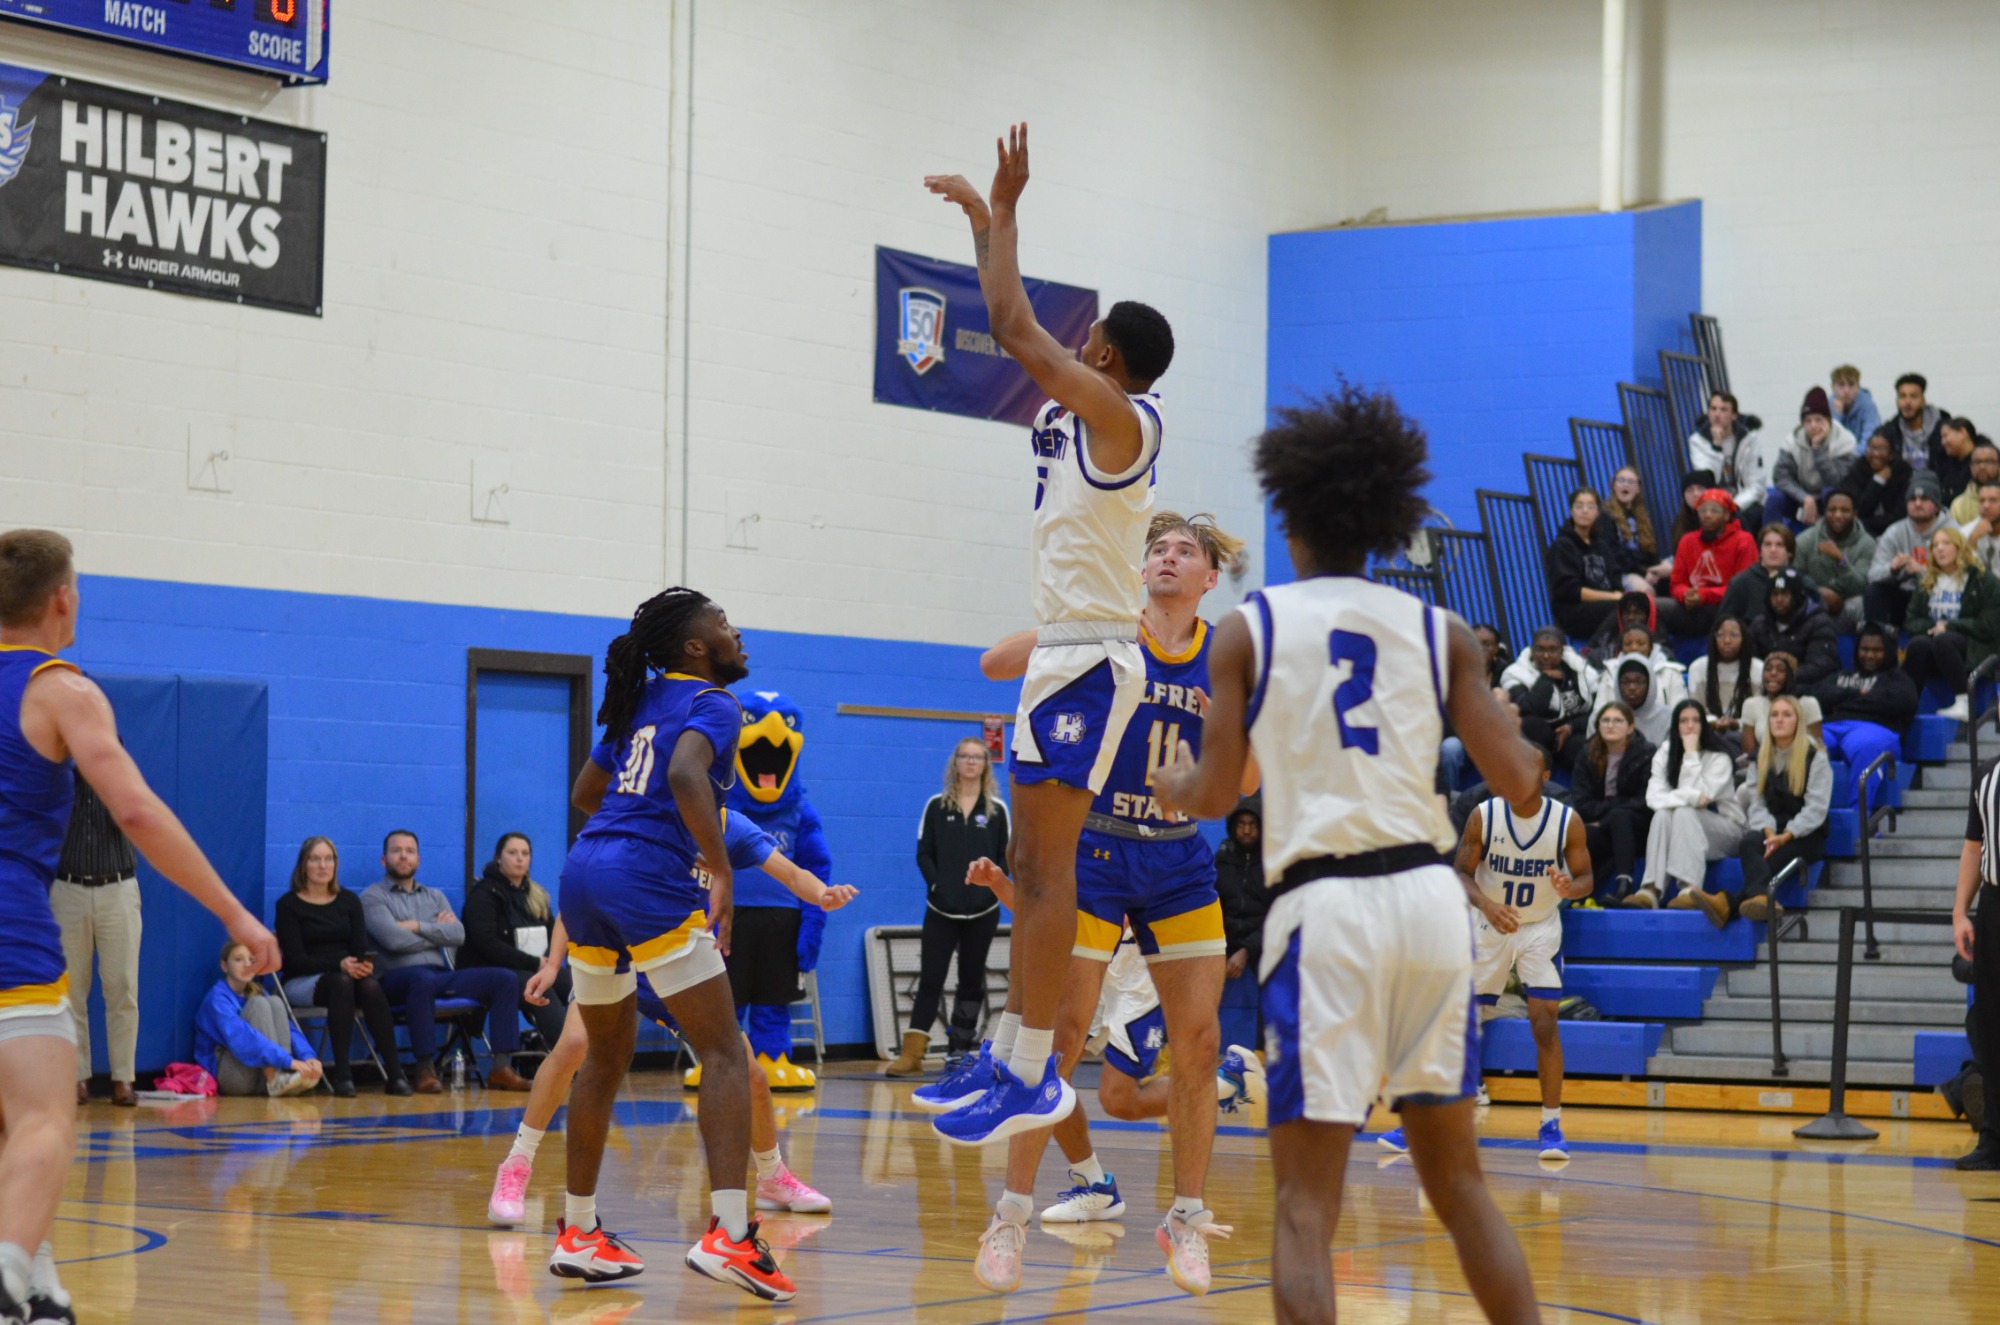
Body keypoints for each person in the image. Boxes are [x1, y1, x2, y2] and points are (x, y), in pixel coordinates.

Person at [1150, 382, 1549, 1325]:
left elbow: (1217, 795)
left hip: (1322, 909)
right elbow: (1521, 783)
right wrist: (1516, 736)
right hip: (1429, 906)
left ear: (1290, 518)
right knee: (1460, 1188)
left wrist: (1173, 780)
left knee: (1305, 1205)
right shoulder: (1442, 632)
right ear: (1382, 521)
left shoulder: (1249, 628)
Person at [926, 124, 1175, 1146]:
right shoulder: (1079, 409)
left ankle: (1031, 1069)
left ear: (1106, 354)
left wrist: (1003, 209)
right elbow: (1011, 319)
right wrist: (983, 224)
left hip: (1092, 654)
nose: (1077, 343)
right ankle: (1009, 1055)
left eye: (1091, 335)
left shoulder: (1124, 419)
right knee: (1028, 868)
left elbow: (1013, 325)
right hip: (1062, 647)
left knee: (1047, 868)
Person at [957, 512, 1253, 1295]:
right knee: (1056, 1036)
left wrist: (1233, 732)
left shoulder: (1227, 656)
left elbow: (1247, 785)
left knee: (1199, 1043)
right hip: (1093, 845)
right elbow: (993, 662)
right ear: (1140, 569)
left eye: (1184, 550)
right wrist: (1069, 634)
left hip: (1178, 855)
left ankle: (1186, 1218)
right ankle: (1011, 1215)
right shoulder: (1110, 629)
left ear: (1209, 577)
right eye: (1157, 548)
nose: (1167, 556)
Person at [0, 528, 280, 1325]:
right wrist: (233, 911)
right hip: (12, 925)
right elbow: (136, 810)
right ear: (63, 599)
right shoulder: (62, 689)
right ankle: (8, 1273)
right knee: (45, 1116)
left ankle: (40, 1288)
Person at [549, 586, 794, 1301]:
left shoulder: (640, 700)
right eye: (724, 623)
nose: (737, 632)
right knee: (724, 1051)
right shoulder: (715, 703)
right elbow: (686, 772)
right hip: (644, 878)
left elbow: (586, 792)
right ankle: (731, 1233)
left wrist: (637, 821)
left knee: (604, 1057)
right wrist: (718, 866)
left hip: (584, 871)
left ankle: (579, 1231)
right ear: (695, 646)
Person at [488, 819, 856, 1229]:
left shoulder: (728, 825)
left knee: (747, 1070)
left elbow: (791, 873)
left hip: (676, 960)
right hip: (618, 954)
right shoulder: (637, 817)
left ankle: (772, 1176)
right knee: (574, 1044)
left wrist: (823, 894)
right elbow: (580, 895)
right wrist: (554, 963)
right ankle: (516, 1166)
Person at [1381, 753, 1593, 1161]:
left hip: (1540, 928)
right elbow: (1460, 872)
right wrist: (1487, 905)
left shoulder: (1567, 821)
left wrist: (1571, 887)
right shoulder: (1485, 815)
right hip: (1489, 923)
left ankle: (1551, 1125)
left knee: (1544, 1022)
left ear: (1545, 777)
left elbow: (1586, 878)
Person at [361, 831, 532, 1093]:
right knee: (422, 980)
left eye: (410, 851)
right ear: (384, 859)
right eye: (397, 851)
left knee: (504, 978)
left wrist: (415, 926)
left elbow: (458, 935)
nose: (404, 856)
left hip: (437, 974)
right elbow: (392, 940)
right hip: (395, 980)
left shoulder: (435, 896)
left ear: (418, 859)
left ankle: (501, 1068)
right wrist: (436, 932)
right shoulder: (372, 897)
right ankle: (425, 1069)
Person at [887, 737, 1009, 1077]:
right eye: (964, 756)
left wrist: (992, 889)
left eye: (977, 757)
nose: (970, 762)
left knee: (971, 979)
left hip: (983, 911)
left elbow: (1005, 859)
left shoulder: (997, 810)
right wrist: (937, 884)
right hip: (941, 909)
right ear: (955, 762)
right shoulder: (936, 806)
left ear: (985, 765)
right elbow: (924, 853)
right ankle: (912, 1054)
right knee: (931, 977)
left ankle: (959, 1050)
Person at [274, 836, 403, 1098]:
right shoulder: (288, 905)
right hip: (302, 979)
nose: (323, 865)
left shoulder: (349, 901)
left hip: (345, 975)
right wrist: (339, 965)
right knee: (340, 983)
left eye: (328, 859)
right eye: (315, 859)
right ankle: (342, 1073)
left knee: (369, 985)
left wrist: (362, 965)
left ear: (335, 864)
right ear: (303, 865)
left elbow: (359, 947)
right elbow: (295, 960)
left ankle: (395, 1073)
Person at [50, 773, 141, 1107]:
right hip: (68, 888)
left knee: (122, 986)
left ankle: (124, 1078)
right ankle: (76, 1077)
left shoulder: (120, 774)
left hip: (117, 886)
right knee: (70, 989)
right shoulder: (57, 777)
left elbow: (135, 821)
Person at [460, 832, 569, 1057]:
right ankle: (567, 1057)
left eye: (525, 853)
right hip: (492, 970)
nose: (519, 858)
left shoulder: (536, 894)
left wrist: (549, 961)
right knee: (541, 987)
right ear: (498, 858)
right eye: (512, 853)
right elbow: (487, 944)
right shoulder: (483, 894)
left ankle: (595, 1050)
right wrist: (535, 963)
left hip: (532, 967)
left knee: (573, 982)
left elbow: (554, 934)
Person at [1728, 696, 1832, 926]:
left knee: (1773, 857)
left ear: (1798, 721)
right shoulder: (1760, 757)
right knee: (1748, 843)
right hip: (1772, 828)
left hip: (1806, 834)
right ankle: (1762, 899)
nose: (1779, 720)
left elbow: (1816, 808)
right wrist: (1768, 832)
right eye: (1774, 715)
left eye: (1786, 715)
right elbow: (1757, 803)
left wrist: (1785, 836)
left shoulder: (1816, 756)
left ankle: (1729, 905)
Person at [1632, 700, 1742, 910]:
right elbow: (1653, 798)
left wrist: (1691, 753)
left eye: (1696, 720)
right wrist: (1690, 796)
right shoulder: (1666, 752)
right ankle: (1650, 890)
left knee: (1684, 812)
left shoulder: (1719, 757)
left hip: (1728, 831)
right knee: (1662, 814)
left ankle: (1690, 889)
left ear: (1704, 724)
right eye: (1684, 721)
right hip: (1684, 829)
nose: (1690, 726)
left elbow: (1704, 798)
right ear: (1676, 725)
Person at [1951, 756, 2000, 1170]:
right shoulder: (1986, 773)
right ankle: (1994, 1138)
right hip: (1994, 903)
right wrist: (1959, 912)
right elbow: (1974, 846)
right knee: (1991, 1025)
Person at [195, 940, 323, 1097]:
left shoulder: (258, 991)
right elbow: (242, 1038)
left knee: (275, 1002)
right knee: (258, 1004)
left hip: (258, 1075)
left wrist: (308, 1056)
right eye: (238, 959)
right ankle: (274, 1078)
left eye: (251, 960)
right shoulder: (217, 999)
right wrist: (288, 1061)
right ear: (224, 966)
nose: (247, 965)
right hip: (231, 1078)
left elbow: (289, 1028)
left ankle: (280, 1077)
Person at [1815, 623, 1919, 811]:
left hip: (1875, 729)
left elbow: (1903, 702)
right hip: (1832, 727)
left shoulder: (1897, 678)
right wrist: (1862, 696)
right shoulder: (1841, 675)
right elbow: (1818, 696)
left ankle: (1859, 818)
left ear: (1887, 652)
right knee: (1803, 742)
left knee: (1864, 746)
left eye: (1877, 650)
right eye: (1864, 649)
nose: (1870, 655)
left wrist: (1842, 700)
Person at [1902, 526, 2000, 723]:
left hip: (1975, 649)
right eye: (1935, 545)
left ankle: (1964, 702)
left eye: (1946, 543)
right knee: (1918, 644)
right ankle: (1906, 704)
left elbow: (1988, 625)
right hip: (1938, 648)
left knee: (1944, 640)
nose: (1939, 549)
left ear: (1960, 547)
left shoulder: (1983, 580)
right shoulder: (1927, 581)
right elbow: (1911, 620)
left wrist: (1951, 626)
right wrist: (1934, 627)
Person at [1569, 702, 1653, 904]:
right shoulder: (1586, 753)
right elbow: (1582, 803)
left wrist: (1607, 816)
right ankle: (1578, 893)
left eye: (1617, 721)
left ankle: (1625, 886)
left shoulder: (1646, 752)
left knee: (1619, 817)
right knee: (1584, 835)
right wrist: (1610, 815)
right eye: (1605, 720)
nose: (1610, 725)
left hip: (1639, 827)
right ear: (1598, 726)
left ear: (1630, 727)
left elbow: (1646, 799)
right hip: (1604, 827)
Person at [1659, 488, 1758, 640]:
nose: (1707, 515)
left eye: (1714, 511)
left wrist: (1704, 595)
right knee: (1651, 606)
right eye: (1703, 510)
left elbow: (1743, 589)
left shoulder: (1743, 540)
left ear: (1726, 515)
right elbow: (1676, 583)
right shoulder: (1687, 541)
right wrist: (1685, 594)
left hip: (1728, 609)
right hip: (1693, 607)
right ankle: (1661, 650)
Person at [1867, 469, 1958, 628]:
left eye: (1924, 499)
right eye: (1912, 499)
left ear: (1937, 506)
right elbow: (1872, 575)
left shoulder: (1953, 532)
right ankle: (1877, 636)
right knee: (1874, 590)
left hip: (1939, 598)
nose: (1917, 504)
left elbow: (1961, 578)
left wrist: (1923, 571)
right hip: (1904, 596)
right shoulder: (1895, 531)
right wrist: (1892, 569)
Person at [1502, 626, 1598, 766]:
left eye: (1552, 650)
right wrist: (1546, 679)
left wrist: (1571, 726)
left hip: (1572, 733)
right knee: (1529, 725)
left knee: (1585, 746)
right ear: (1531, 650)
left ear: (1562, 651)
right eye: (1540, 649)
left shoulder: (1581, 670)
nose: (1546, 655)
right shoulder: (1515, 673)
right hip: (1540, 737)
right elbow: (1526, 709)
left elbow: (1599, 709)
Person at [1767, 386, 1857, 529]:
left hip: (1829, 496)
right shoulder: (1792, 440)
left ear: (1829, 420)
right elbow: (1780, 477)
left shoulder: (1844, 441)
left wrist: (1817, 449)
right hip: (1801, 496)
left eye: (1818, 420)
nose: (1813, 426)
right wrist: (1805, 497)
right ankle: (1772, 538)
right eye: (1808, 421)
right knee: (1775, 499)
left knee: (1831, 494)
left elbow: (1837, 481)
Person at [1545, 488, 1622, 639]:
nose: (1584, 511)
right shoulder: (1562, 545)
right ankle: (1594, 648)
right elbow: (1571, 590)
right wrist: (1612, 596)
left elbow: (1616, 580)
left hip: (1608, 603)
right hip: (1574, 611)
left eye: (1590, 506)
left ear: (1597, 512)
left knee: (1638, 606)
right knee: (1621, 609)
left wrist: (1618, 595)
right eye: (1579, 506)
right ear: (1571, 511)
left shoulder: (1602, 546)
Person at [1794, 489, 1875, 632]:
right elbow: (1795, 577)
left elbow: (1861, 587)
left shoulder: (1867, 544)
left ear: (1855, 514)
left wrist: (1840, 559)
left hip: (1846, 609)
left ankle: (1864, 644)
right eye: (1832, 510)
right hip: (1812, 606)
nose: (1838, 515)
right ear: (1824, 512)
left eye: (1845, 510)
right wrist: (1816, 592)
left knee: (1862, 604)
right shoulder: (1805, 540)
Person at [1687, 392, 1767, 533]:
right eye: (1713, 409)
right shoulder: (1697, 441)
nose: (1717, 414)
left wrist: (1734, 505)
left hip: (1742, 500)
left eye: (1723, 409)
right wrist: (1716, 446)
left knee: (1754, 514)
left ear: (1734, 415)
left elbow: (1757, 485)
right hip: (1712, 501)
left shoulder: (1749, 440)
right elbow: (1708, 479)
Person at [1214, 797, 1267, 1012]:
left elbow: (1277, 917)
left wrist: (1247, 950)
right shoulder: (1222, 859)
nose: (1246, 831)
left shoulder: (1272, 863)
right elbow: (1214, 907)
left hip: (1261, 943)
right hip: (1224, 942)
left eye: (1252, 825)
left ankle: (1266, 1036)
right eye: (1241, 824)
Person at [1748, 568, 1841, 687]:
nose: (1779, 599)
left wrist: (1783, 675)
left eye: (1785, 593)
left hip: (1807, 689)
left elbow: (1822, 666)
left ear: (1797, 596)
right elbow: (1750, 661)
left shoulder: (1820, 623)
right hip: (1765, 687)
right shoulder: (1759, 624)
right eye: (1775, 594)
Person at [1717, 523, 1816, 626]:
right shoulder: (1740, 583)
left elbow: (1819, 622)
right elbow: (1723, 625)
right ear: (1760, 550)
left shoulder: (1804, 583)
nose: (1773, 550)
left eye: (1779, 545)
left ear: (1790, 552)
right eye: (1768, 544)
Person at [1587, 634, 1674, 745]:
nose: (1632, 687)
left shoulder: (1667, 717)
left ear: (1650, 684)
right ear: (1617, 685)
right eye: (1626, 682)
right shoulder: (1600, 718)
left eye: (1639, 682)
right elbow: (1592, 752)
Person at [1687, 616, 1763, 737]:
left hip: (1746, 733)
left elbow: (1759, 713)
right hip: (1707, 732)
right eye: (1720, 635)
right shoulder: (1697, 668)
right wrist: (1714, 723)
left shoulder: (1758, 668)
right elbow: (1696, 709)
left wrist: (1737, 723)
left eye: (1734, 635)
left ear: (1744, 639)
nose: (1727, 640)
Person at [1741, 651, 1824, 758]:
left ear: (1792, 675)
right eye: (1768, 669)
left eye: (1780, 670)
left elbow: (1818, 749)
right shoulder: (1751, 704)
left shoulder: (1808, 704)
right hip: (1762, 763)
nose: (1773, 673)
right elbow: (1749, 753)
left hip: (1801, 762)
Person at [1601, 466, 1668, 593]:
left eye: (1631, 482)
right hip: (1620, 573)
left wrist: (1657, 569)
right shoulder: (1605, 515)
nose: (1626, 484)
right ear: (1614, 486)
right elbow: (1614, 555)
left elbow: (1650, 551)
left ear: (1638, 489)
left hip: (1643, 569)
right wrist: (1643, 573)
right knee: (1645, 590)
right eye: (1621, 480)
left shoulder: (1642, 516)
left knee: (1673, 570)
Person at [1839, 428, 1913, 538]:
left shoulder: (1903, 471)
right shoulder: (1859, 468)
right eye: (1871, 448)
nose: (1876, 454)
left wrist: (1867, 523)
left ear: (1892, 454)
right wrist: (1877, 481)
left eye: (1882, 449)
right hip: (1863, 530)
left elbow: (1900, 515)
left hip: (1897, 530)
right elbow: (1861, 510)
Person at [1885, 371, 1947, 472]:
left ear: (1923, 401)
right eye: (1902, 396)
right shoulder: (1890, 431)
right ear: (1897, 401)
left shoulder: (1944, 428)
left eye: (1913, 396)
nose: (1907, 402)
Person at [1950, 436, 1999, 525]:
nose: (1982, 467)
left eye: (1989, 461)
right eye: (1977, 462)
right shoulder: (1959, 505)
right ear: (1971, 467)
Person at [1931, 415, 1978, 505]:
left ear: (1962, 432)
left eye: (1945, 436)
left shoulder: (1982, 463)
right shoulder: (1944, 463)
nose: (1943, 442)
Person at [1830, 365, 1881, 448]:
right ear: (1833, 388)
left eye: (1851, 385)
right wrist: (1837, 415)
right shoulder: (1828, 405)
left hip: (1861, 454)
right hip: (1837, 454)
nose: (1846, 391)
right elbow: (1829, 442)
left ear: (1858, 388)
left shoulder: (1868, 406)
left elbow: (1869, 440)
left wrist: (1852, 455)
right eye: (1841, 385)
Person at [1669, 468, 1719, 545]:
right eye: (1689, 490)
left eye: (1700, 488)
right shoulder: (1679, 524)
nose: (1695, 494)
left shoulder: (1726, 518)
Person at [1963, 480, 2000, 571]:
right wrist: (1973, 540)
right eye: (1982, 501)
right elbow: (1958, 570)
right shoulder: (1967, 532)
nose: (1986, 506)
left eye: (1993, 500)